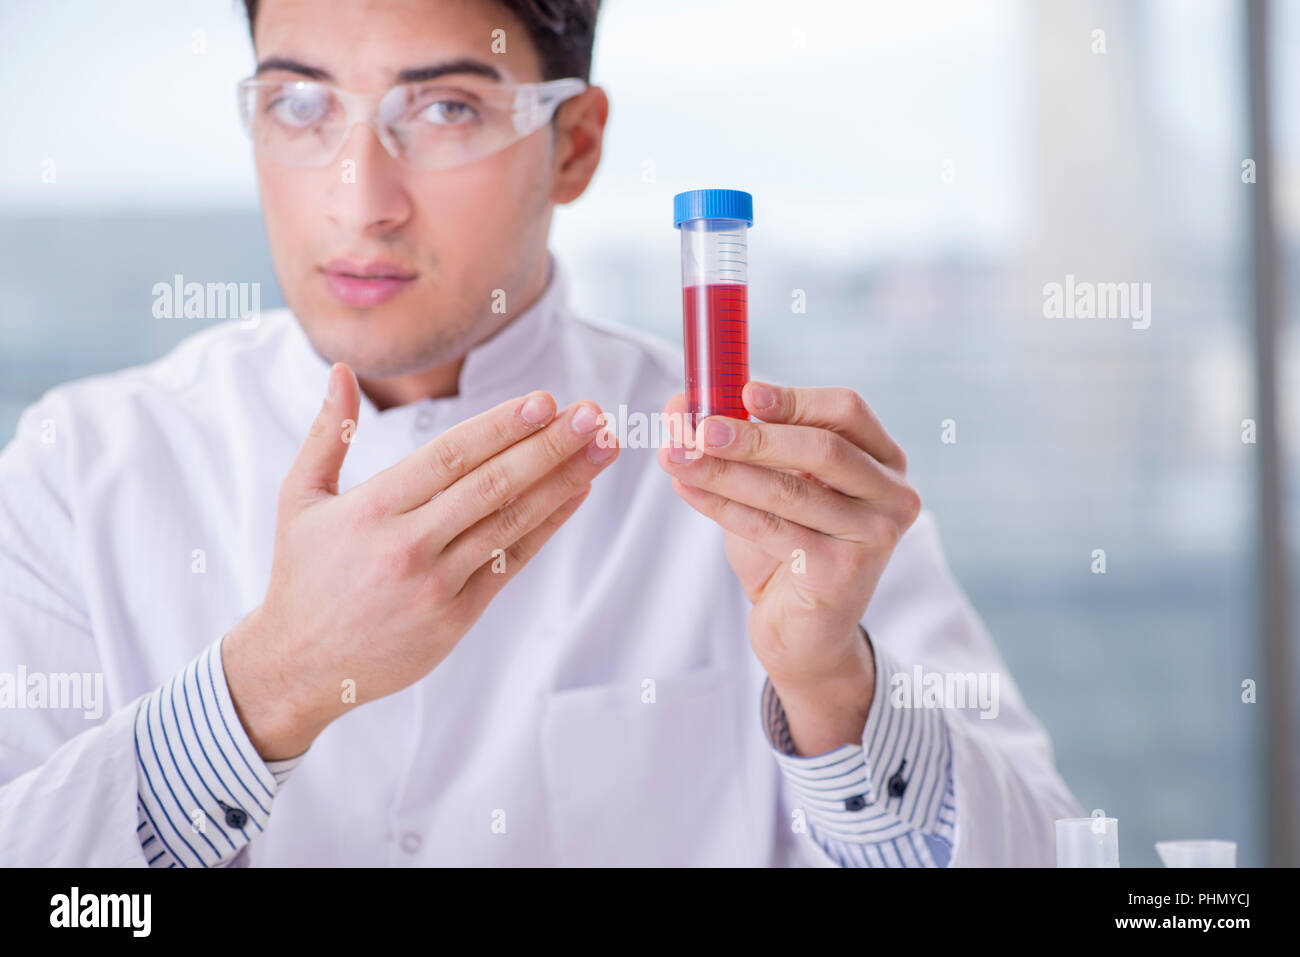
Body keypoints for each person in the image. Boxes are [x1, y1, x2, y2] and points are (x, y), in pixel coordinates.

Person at [0, 0, 1081, 867]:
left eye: (446, 110)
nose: (359, 198)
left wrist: (833, 689)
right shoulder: (82, 468)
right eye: (299, 104)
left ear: (574, 144)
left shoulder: (772, 482)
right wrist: (270, 687)